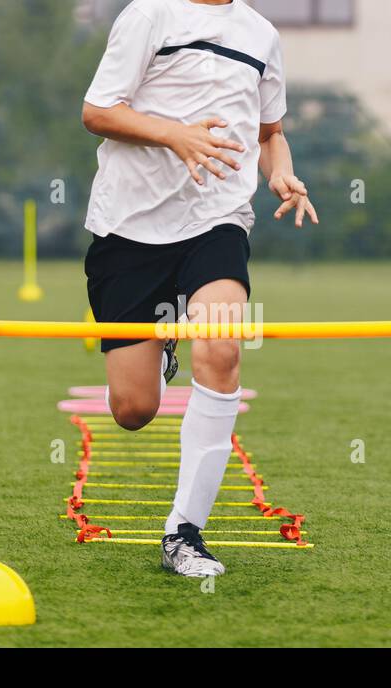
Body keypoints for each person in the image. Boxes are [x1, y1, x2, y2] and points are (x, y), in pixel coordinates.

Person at [81, 0, 317, 578]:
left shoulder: (260, 33)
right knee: (133, 410)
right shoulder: (148, 16)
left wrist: (279, 171)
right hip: (129, 227)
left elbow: (271, 133)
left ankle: (185, 532)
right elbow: (96, 111)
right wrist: (176, 137)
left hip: (217, 217)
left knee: (221, 347)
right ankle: (163, 336)